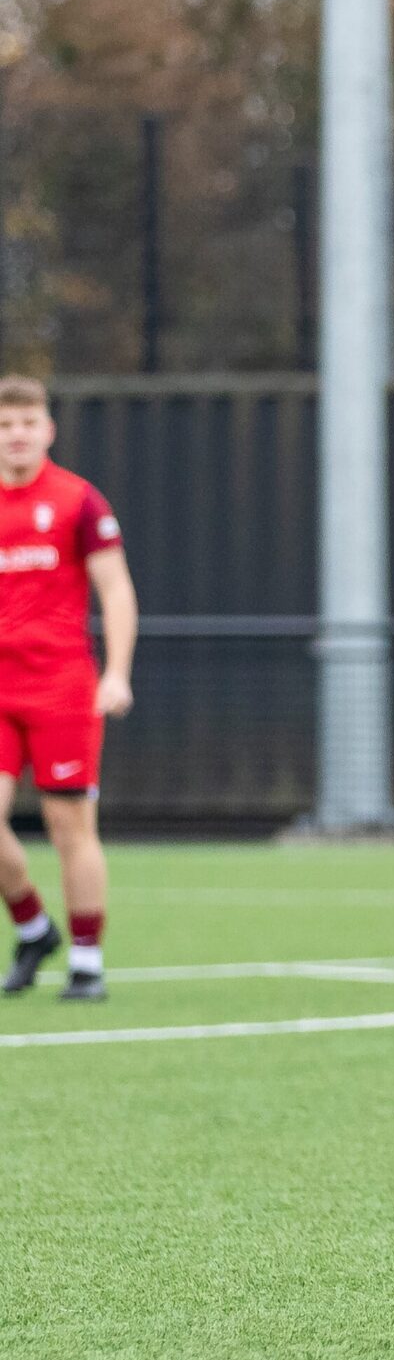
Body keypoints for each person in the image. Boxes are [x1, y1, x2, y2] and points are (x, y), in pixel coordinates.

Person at [0, 375, 137, 1004]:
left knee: (69, 827)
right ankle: (33, 927)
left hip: (61, 687)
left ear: (48, 430)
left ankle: (86, 960)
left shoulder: (79, 501)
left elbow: (116, 589)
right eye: (6, 425)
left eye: (27, 423)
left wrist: (117, 672)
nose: (17, 435)